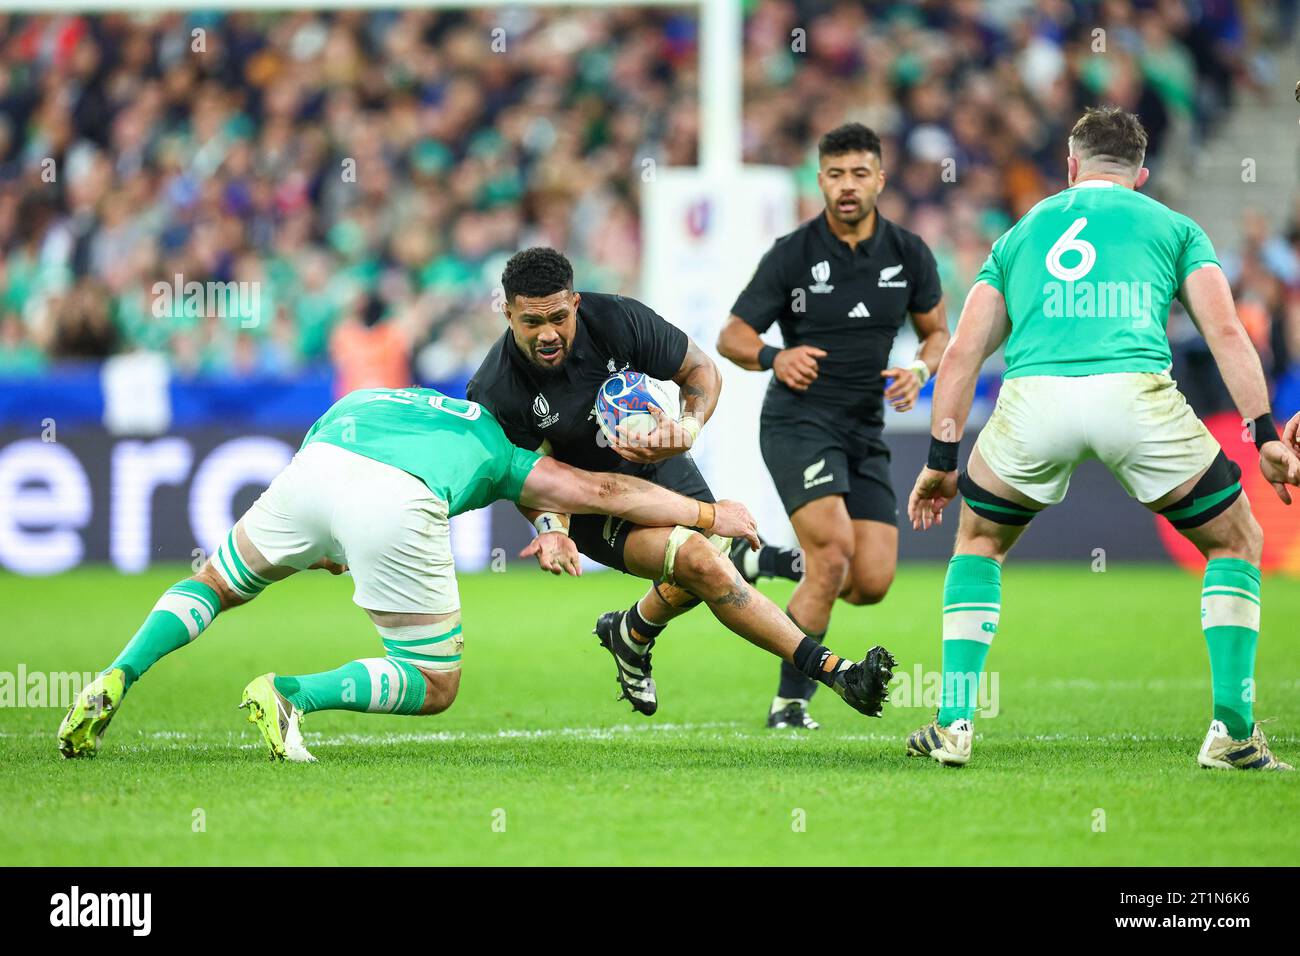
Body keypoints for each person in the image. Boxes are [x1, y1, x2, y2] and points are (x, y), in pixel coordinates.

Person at [57, 385, 761, 762]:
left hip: (315, 467)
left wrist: (327, 536)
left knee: (214, 584)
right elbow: (606, 495)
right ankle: (290, 693)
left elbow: (321, 443)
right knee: (433, 683)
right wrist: (706, 515)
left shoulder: (383, 395)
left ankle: (119, 672)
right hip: (396, 499)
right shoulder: (505, 450)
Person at [905, 106, 1298, 770]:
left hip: (1035, 402)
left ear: (1070, 166)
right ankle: (1231, 732)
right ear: (1140, 175)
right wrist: (1262, 435)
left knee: (978, 540)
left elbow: (963, 354)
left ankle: (953, 725)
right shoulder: (1174, 227)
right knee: (1236, 540)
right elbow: (1227, 334)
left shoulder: (1021, 232)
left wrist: (942, 460)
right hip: (1134, 396)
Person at [467, 247, 889, 717]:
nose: (548, 334)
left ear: (576, 303)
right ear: (507, 313)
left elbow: (700, 369)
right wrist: (551, 528)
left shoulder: (617, 320)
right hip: (589, 500)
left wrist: (686, 429)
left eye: (559, 318)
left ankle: (631, 633)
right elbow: (530, 480)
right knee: (702, 562)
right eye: (531, 323)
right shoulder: (495, 391)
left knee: (704, 564)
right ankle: (838, 673)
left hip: (657, 462)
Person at [717, 123, 949, 729]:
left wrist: (921, 368)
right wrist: (774, 356)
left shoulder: (908, 253)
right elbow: (732, 336)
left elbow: (939, 332)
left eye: (859, 173)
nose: (847, 187)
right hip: (798, 421)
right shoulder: (793, 253)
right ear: (820, 180)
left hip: (863, 429)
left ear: (880, 178)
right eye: (836, 174)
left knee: (870, 581)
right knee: (831, 558)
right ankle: (790, 704)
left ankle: (766, 562)